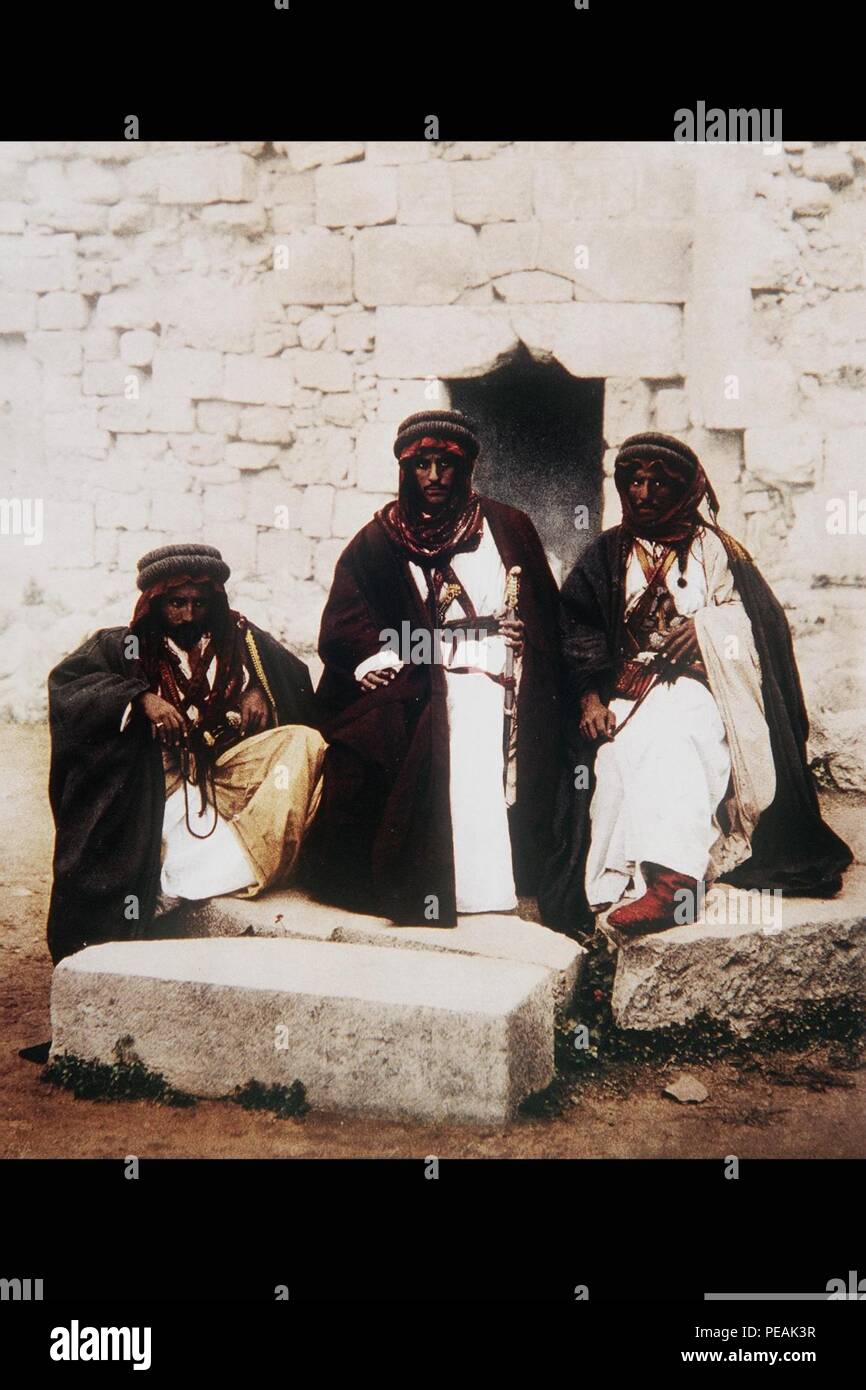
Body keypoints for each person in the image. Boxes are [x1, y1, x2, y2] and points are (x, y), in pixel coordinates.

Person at [539, 432, 852, 935]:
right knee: (618, 755)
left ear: (685, 489)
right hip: (624, 692)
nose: (643, 493)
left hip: (704, 689)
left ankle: (672, 883)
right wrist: (590, 697)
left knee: (673, 731)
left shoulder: (721, 552)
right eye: (634, 481)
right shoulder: (604, 554)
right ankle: (628, 879)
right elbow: (577, 628)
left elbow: (762, 629)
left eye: (658, 482)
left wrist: (709, 633)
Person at [302, 409, 562, 926]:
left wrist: (526, 634)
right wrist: (371, 657)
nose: (435, 476)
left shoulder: (507, 527)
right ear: (406, 469)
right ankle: (406, 875)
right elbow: (344, 623)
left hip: (495, 660)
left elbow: (545, 615)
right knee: (394, 721)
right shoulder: (378, 539)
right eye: (422, 464)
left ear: (465, 470)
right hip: (411, 662)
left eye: (446, 464)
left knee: (468, 708)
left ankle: (476, 884)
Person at [46, 542, 326, 964]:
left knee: (303, 742)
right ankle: (173, 883)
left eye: (199, 602)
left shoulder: (241, 641)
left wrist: (259, 689)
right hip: (162, 783)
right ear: (155, 601)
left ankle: (241, 860)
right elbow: (68, 687)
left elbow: (295, 678)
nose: (188, 614)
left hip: (226, 774)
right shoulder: (125, 646)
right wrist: (139, 698)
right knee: (156, 838)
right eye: (176, 603)